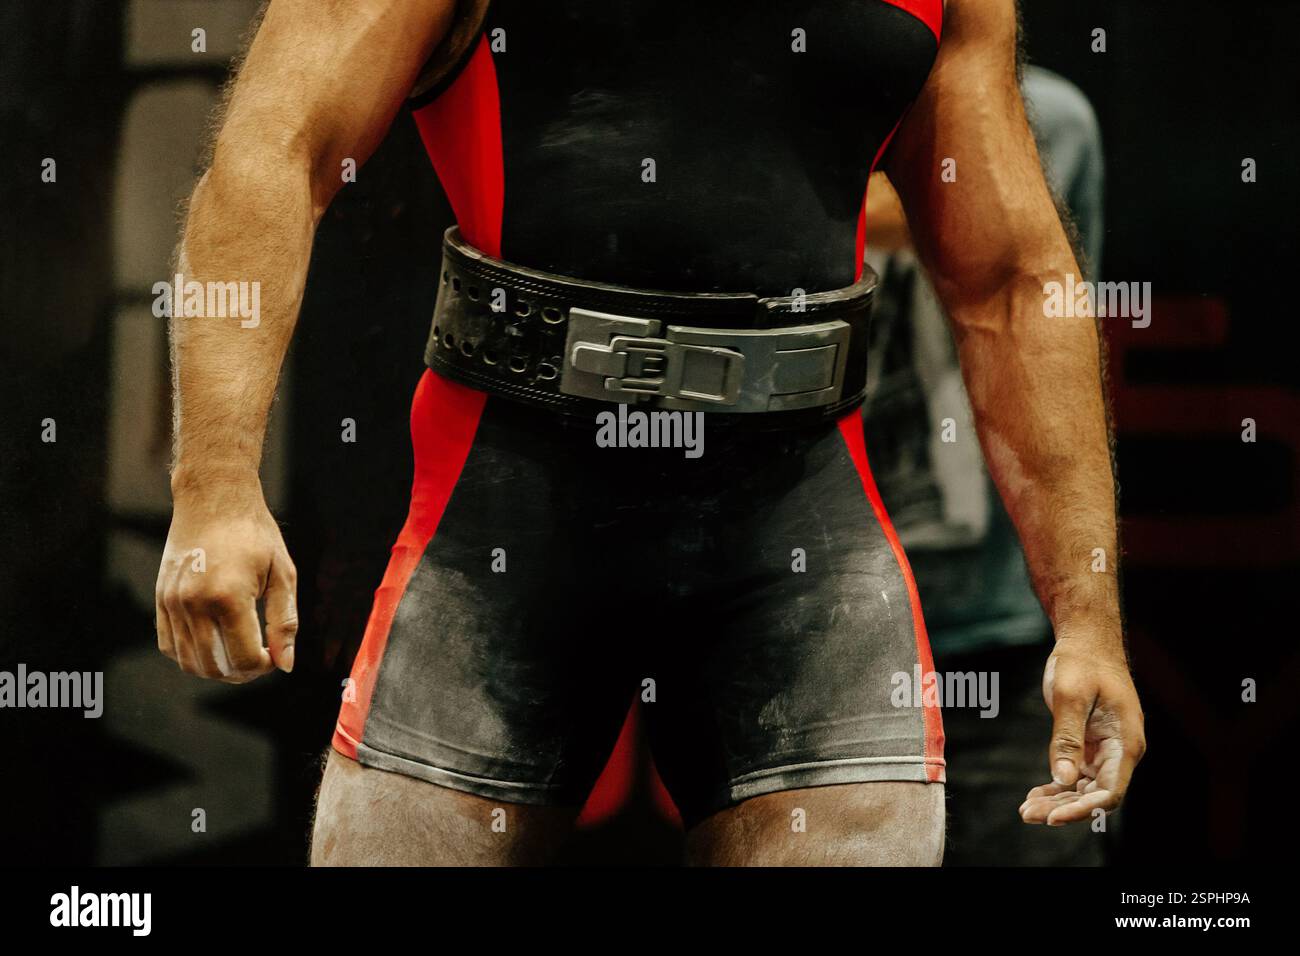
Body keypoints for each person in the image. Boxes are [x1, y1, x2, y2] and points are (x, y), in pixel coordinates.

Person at [154, 0, 1144, 866]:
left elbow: (1010, 280)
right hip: (502, 530)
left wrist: (1088, 616)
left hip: (799, 545)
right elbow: (273, 148)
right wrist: (214, 488)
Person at [861, 66, 1110, 865]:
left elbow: (1000, 258)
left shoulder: (1048, 119)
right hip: (803, 617)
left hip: (992, 635)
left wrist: (1090, 629)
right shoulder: (747, 107)